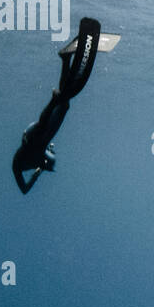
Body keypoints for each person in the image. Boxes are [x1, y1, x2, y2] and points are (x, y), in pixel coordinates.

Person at [12, 17, 104, 194]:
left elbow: (24, 189)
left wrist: (36, 173)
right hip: (42, 141)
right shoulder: (45, 160)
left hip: (31, 136)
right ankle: (64, 59)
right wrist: (38, 174)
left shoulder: (17, 165)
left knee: (52, 112)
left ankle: (54, 98)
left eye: (44, 166)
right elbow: (24, 190)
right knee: (65, 103)